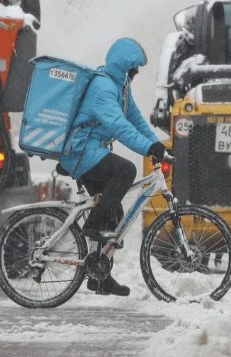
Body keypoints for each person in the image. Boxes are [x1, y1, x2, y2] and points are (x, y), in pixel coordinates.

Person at [58, 38, 166, 297]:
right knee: (126, 170)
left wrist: (158, 145)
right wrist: (148, 149)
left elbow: (136, 120)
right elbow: (120, 126)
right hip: (81, 152)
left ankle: (100, 278)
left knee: (114, 212)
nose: (136, 74)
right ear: (123, 66)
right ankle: (93, 224)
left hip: (92, 151)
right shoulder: (103, 87)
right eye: (134, 69)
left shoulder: (121, 87)